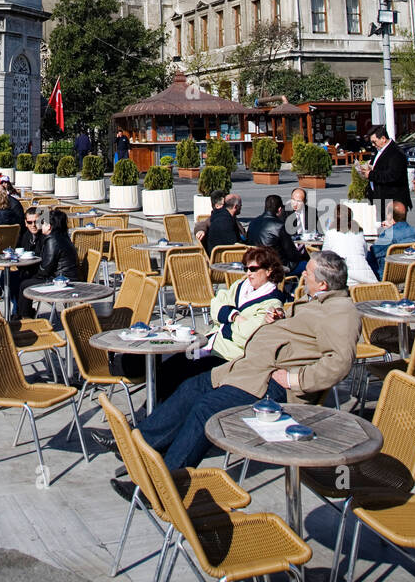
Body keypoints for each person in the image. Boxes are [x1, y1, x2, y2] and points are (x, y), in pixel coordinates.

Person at [93, 252, 359, 472]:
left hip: (271, 384)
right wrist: (282, 314)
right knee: (190, 388)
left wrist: (293, 379)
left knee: (205, 408)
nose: (303, 275)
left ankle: (167, 480)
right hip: (248, 369)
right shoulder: (316, 301)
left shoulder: (341, 312)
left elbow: (340, 362)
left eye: (308, 274)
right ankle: (138, 446)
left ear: (323, 285)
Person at [148, 246, 286, 404]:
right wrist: (234, 316)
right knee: (168, 368)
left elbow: (247, 336)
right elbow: (216, 302)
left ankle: (164, 415)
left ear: (268, 271)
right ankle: (151, 412)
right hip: (211, 345)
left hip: (230, 357)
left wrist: (225, 320)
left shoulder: (273, 303)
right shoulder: (241, 286)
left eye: (253, 269)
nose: (248, 273)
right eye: (246, 268)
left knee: (184, 378)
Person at [17, 208, 78, 318]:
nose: (39, 226)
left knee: (24, 285)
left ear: (49, 226)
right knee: (24, 280)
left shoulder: (52, 240)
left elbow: (45, 269)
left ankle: (25, 318)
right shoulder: (61, 236)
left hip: (61, 282)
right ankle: (24, 314)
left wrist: (35, 275)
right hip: (66, 277)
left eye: (43, 223)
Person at [246, 194, 306, 276]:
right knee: (307, 265)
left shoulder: (253, 223)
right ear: (280, 209)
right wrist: (301, 255)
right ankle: (297, 288)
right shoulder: (280, 226)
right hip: (276, 265)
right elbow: (291, 253)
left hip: (257, 263)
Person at [321, 204, 377, 286]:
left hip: (345, 280)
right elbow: (364, 254)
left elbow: (324, 257)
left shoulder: (330, 233)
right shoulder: (359, 232)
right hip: (366, 277)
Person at [363, 125, 412, 211]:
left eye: (374, 142)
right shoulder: (379, 150)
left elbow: (392, 175)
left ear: (383, 138)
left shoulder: (396, 152)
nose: (373, 145)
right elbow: (378, 166)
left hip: (393, 201)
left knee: (391, 224)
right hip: (379, 198)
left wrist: (371, 174)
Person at [370, 200, 415, 276]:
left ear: (390, 216)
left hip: (386, 273)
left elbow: (374, 253)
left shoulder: (388, 235)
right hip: (408, 273)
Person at [201, 191, 245, 259]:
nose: (241, 208)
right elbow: (233, 247)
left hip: (220, 255)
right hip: (223, 260)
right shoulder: (224, 222)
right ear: (235, 207)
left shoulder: (220, 215)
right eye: (240, 206)